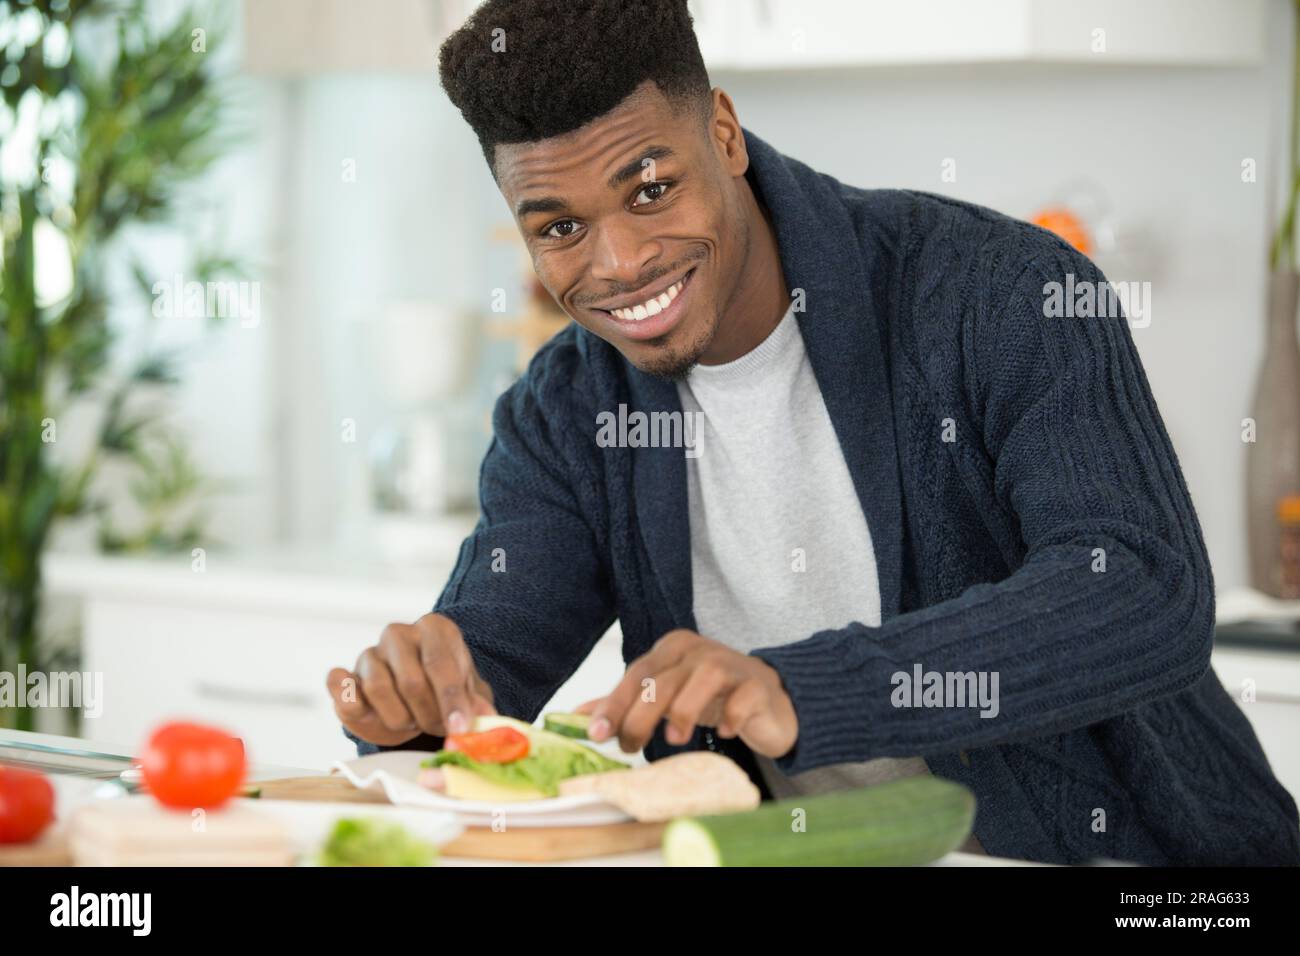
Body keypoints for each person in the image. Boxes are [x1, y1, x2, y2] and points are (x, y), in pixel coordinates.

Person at [327, 0, 1300, 865]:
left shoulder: (998, 293)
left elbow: (1140, 588)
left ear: (723, 132)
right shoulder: (567, 411)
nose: (619, 262)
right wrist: (414, 704)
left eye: (652, 188)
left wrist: (806, 687)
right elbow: (478, 681)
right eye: (558, 228)